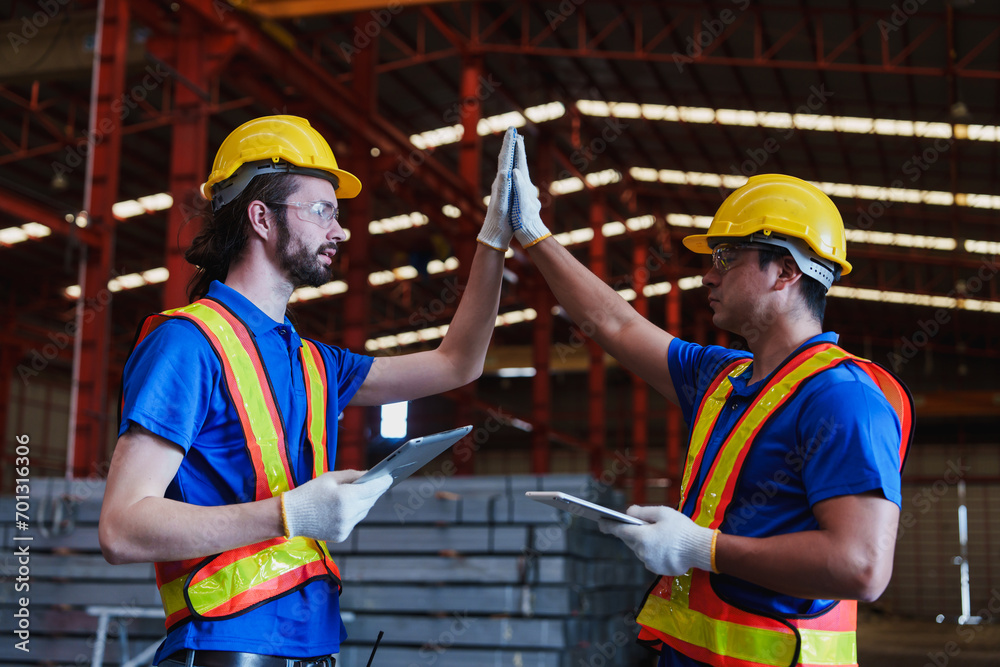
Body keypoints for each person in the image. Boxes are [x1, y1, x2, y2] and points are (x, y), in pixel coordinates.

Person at [99, 116, 523, 667]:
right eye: (322, 210)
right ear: (261, 218)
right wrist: (291, 515)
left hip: (316, 646)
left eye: (337, 214)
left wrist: (495, 239)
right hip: (228, 648)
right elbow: (121, 528)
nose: (339, 231)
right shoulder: (187, 344)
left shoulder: (313, 362)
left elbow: (457, 363)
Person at [502, 138, 913, 667]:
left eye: (727, 257)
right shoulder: (721, 378)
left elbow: (862, 566)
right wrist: (534, 235)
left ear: (786, 271)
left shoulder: (842, 399)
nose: (707, 275)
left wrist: (700, 548)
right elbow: (613, 322)